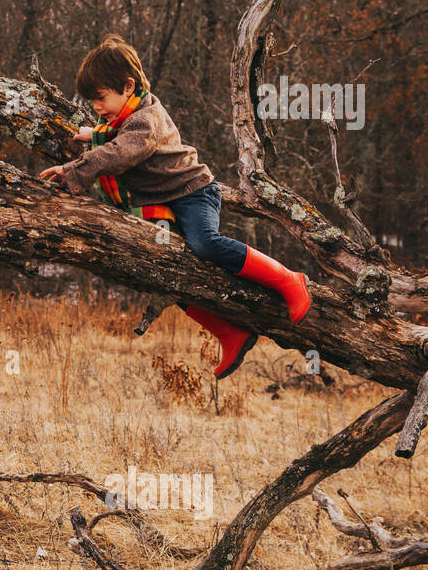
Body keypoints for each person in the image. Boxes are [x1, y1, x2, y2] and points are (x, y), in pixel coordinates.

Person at [41, 35, 311, 378]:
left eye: (100, 98)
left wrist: (74, 168)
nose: (96, 107)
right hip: (162, 202)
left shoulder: (146, 118)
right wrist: (94, 133)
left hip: (194, 192)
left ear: (128, 86)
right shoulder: (124, 117)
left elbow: (123, 151)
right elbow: (114, 136)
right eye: (92, 101)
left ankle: (289, 281)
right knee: (166, 269)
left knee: (205, 244)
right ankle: (231, 333)